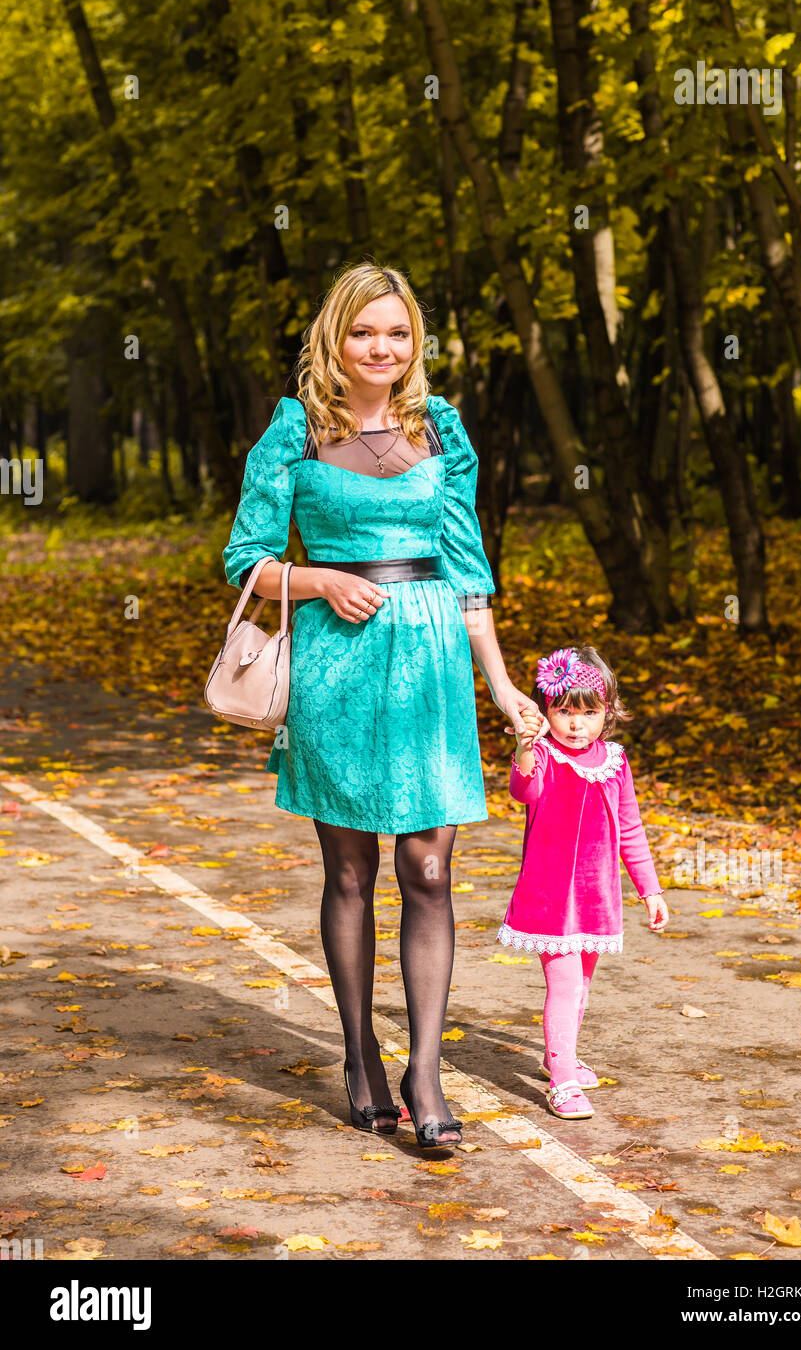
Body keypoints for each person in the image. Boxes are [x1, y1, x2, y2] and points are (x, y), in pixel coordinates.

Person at [222, 263, 542, 1147]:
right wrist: (319, 578)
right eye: (365, 332)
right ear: (336, 337)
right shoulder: (296, 431)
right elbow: (245, 560)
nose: (382, 348)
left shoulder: (441, 431)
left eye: (397, 333)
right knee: (352, 873)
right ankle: (360, 1052)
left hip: (432, 658)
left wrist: (505, 687)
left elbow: (469, 575)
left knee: (430, 870)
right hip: (337, 667)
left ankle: (425, 1070)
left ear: (415, 344)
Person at [497, 645, 669, 1119]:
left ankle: (565, 1056)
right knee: (566, 984)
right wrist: (524, 749)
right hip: (551, 897)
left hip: (597, 896)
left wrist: (649, 889)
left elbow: (630, 827)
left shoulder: (615, 760)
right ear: (546, 710)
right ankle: (563, 1081)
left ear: (606, 713)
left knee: (582, 984)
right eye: (564, 711)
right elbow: (523, 792)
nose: (576, 724)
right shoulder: (545, 756)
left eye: (588, 713)